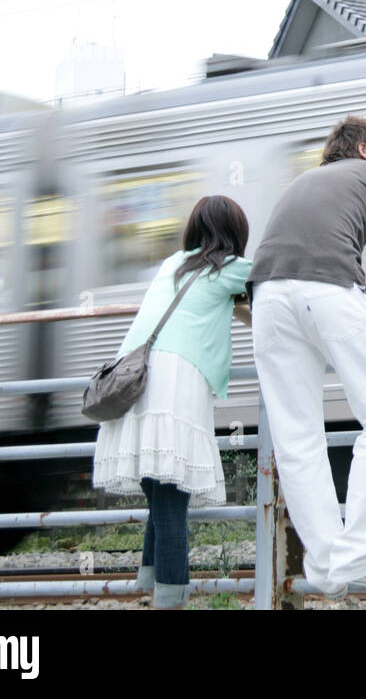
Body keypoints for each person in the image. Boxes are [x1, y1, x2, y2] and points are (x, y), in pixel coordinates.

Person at [248, 115, 366, 598]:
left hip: (268, 298)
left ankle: (325, 569)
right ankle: (360, 556)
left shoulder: (301, 181)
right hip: (329, 289)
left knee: (297, 436)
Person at [93, 194, 253, 610]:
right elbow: (271, 284)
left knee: (160, 493)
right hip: (173, 390)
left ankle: (149, 583)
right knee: (170, 505)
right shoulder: (231, 270)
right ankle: (170, 599)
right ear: (236, 233)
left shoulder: (173, 265)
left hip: (136, 385)